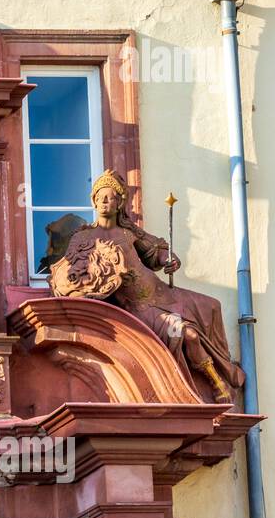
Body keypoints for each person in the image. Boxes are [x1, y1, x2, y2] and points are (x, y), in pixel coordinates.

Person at [54, 170, 244, 403]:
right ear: (93, 200)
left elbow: (157, 250)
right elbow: (72, 276)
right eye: (100, 197)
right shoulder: (83, 238)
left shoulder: (128, 232)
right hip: (141, 307)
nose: (104, 201)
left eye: (110, 196)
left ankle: (225, 368)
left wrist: (168, 259)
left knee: (213, 306)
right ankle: (216, 383)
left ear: (119, 202)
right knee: (190, 335)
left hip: (164, 293)